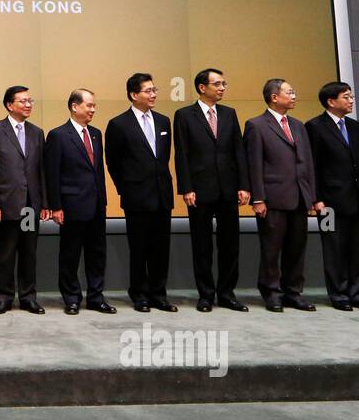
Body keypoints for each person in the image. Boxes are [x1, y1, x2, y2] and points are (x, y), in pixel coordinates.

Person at [173, 68, 251, 313]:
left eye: (224, 83)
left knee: (230, 245)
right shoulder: (185, 115)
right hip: (199, 190)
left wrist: (243, 185)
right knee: (202, 245)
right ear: (201, 88)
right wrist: (186, 188)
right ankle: (206, 295)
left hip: (229, 189)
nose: (222, 88)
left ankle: (227, 293)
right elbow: (182, 154)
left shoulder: (229, 114)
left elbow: (238, 150)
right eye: (217, 84)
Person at [244, 79, 323, 312]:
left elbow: (307, 162)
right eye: (290, 92)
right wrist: (258, 198)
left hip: (299, 197)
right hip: (272, 198)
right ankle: (271, 292)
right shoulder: (256, 125)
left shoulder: (298, 125)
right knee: (271, 249)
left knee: (297, 248)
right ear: (274, 97)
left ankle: (293, 292)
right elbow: (254, 164)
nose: (294, 96)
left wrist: (312, 196)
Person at [105, 73, 176, 313]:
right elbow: (113, 162)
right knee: (139, 248)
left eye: (155, 90)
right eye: (148, 91)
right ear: (134, 95)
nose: (154, 94)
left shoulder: (164, 121)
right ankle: (139, 294)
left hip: (162, 194)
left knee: (161, 248)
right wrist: (125, 188)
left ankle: (159, 294)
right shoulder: (118, 124)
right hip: (136, 196)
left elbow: (163, 159)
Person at [307, 81, 359, 312]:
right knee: (334, 248)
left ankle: (358, 293)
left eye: (351, 96)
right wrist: (316, 198)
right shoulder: (315, 127)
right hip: (329, 203)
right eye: (346, 97)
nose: (351, 100)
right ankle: (338, 294)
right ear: (331, 101)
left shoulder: (357, 128)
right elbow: (312, 166)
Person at [45, 88, 113, 315]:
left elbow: (98, 171)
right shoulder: (58, 135)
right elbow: (52, 173)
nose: (93, 109)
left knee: (97, 254)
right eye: (89, 105)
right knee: (70, 254)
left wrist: (103, 199)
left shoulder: (96, 133)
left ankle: (96, 297)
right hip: (71, 205)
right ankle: (72, 298)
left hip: (96, 205)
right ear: (75, 107)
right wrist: (56, 206)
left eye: (94, 106)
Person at [0, 85, 50, 314]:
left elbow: (42, 171)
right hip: (6, 203)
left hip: (30, 206)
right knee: (5, 253)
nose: (28, 104)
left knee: (28, 253)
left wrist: (44, 204)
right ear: (9, 105)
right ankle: (3, 298)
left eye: (30, 100)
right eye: (22, 101)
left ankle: (28, 297)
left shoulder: (36, 132)